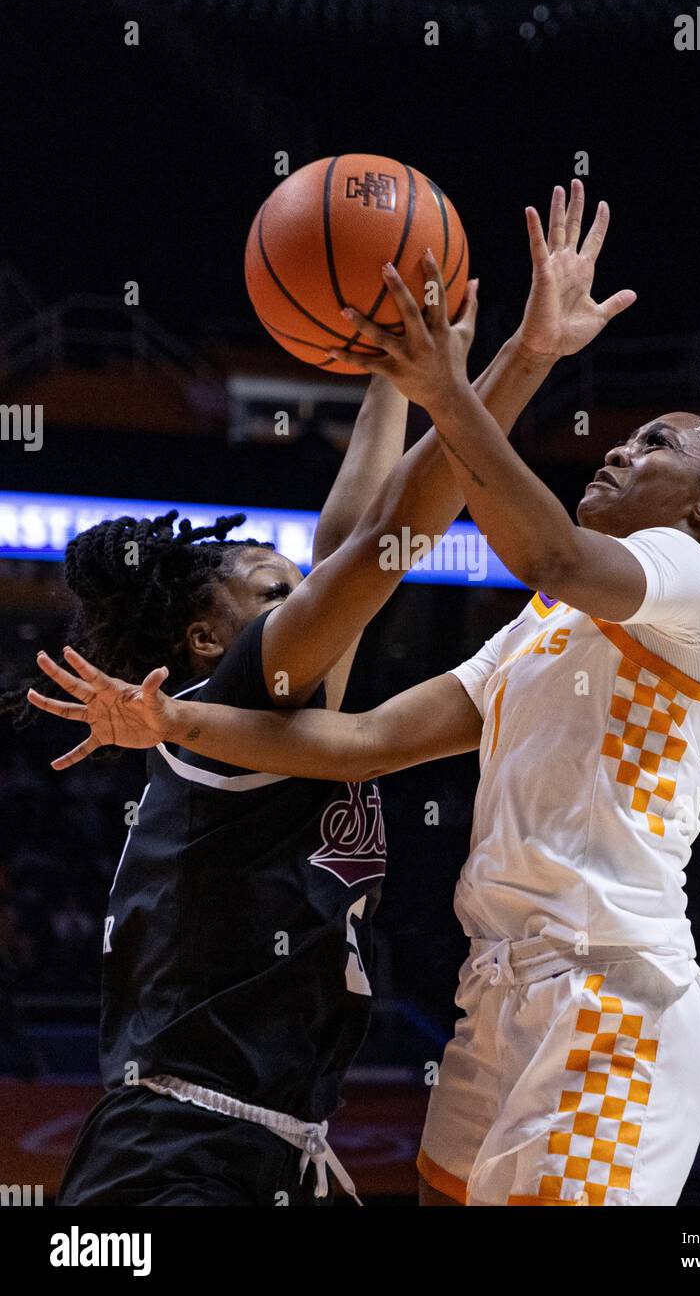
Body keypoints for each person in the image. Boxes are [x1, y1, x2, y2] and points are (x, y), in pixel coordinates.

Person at [24, 183, 636, 1206]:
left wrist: (387, 374)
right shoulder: (233, 700)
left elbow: (351, 535)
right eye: (275, 594)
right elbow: (377, 552)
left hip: (262, 1144)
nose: (303, 596)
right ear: (211, 636)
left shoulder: (273, 710)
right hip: (176, 1155)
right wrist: (512, 362)